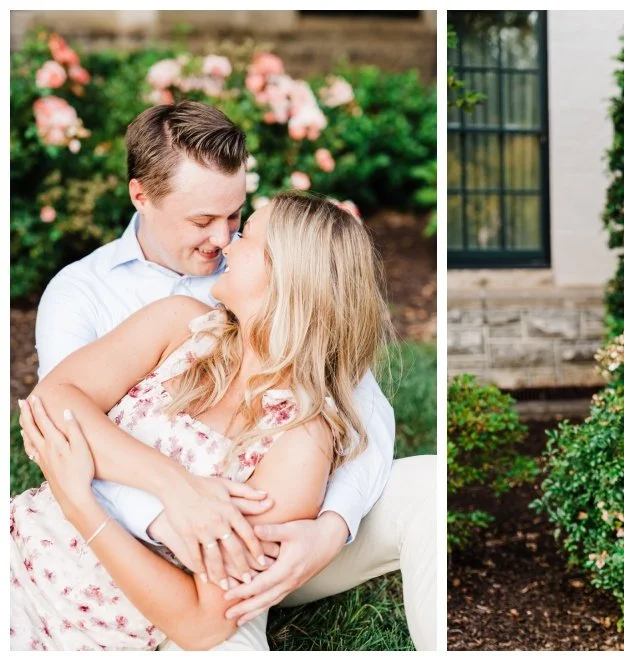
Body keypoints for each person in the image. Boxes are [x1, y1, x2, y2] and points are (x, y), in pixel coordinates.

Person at [20, 101, 439, 650]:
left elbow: (363, 411)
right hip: (81, 543)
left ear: (287, 281)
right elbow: (56, 427)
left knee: (428, 485)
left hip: (238, 562)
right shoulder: (100, 298)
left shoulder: (302, 417)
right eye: (202, 221)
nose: (222, 242)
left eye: (238, 221)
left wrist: (331, 527)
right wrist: (178, 499)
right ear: (141, 196)